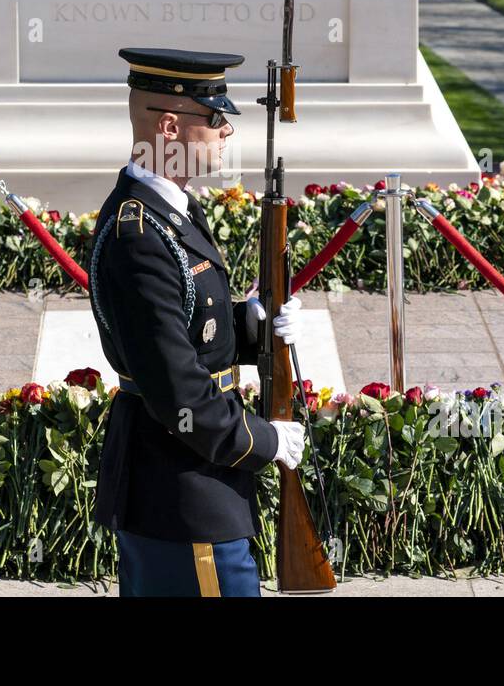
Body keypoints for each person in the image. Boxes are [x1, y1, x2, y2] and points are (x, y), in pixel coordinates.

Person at [87, 47, 306, 598]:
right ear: (168, 126)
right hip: (179, 492)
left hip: (199, 485)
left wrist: (251, 323)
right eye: (214, 118)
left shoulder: (171, 210)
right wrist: (263, 440)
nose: (226, 132)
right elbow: (177, 391)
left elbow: (190, 329)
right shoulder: (138, 236)